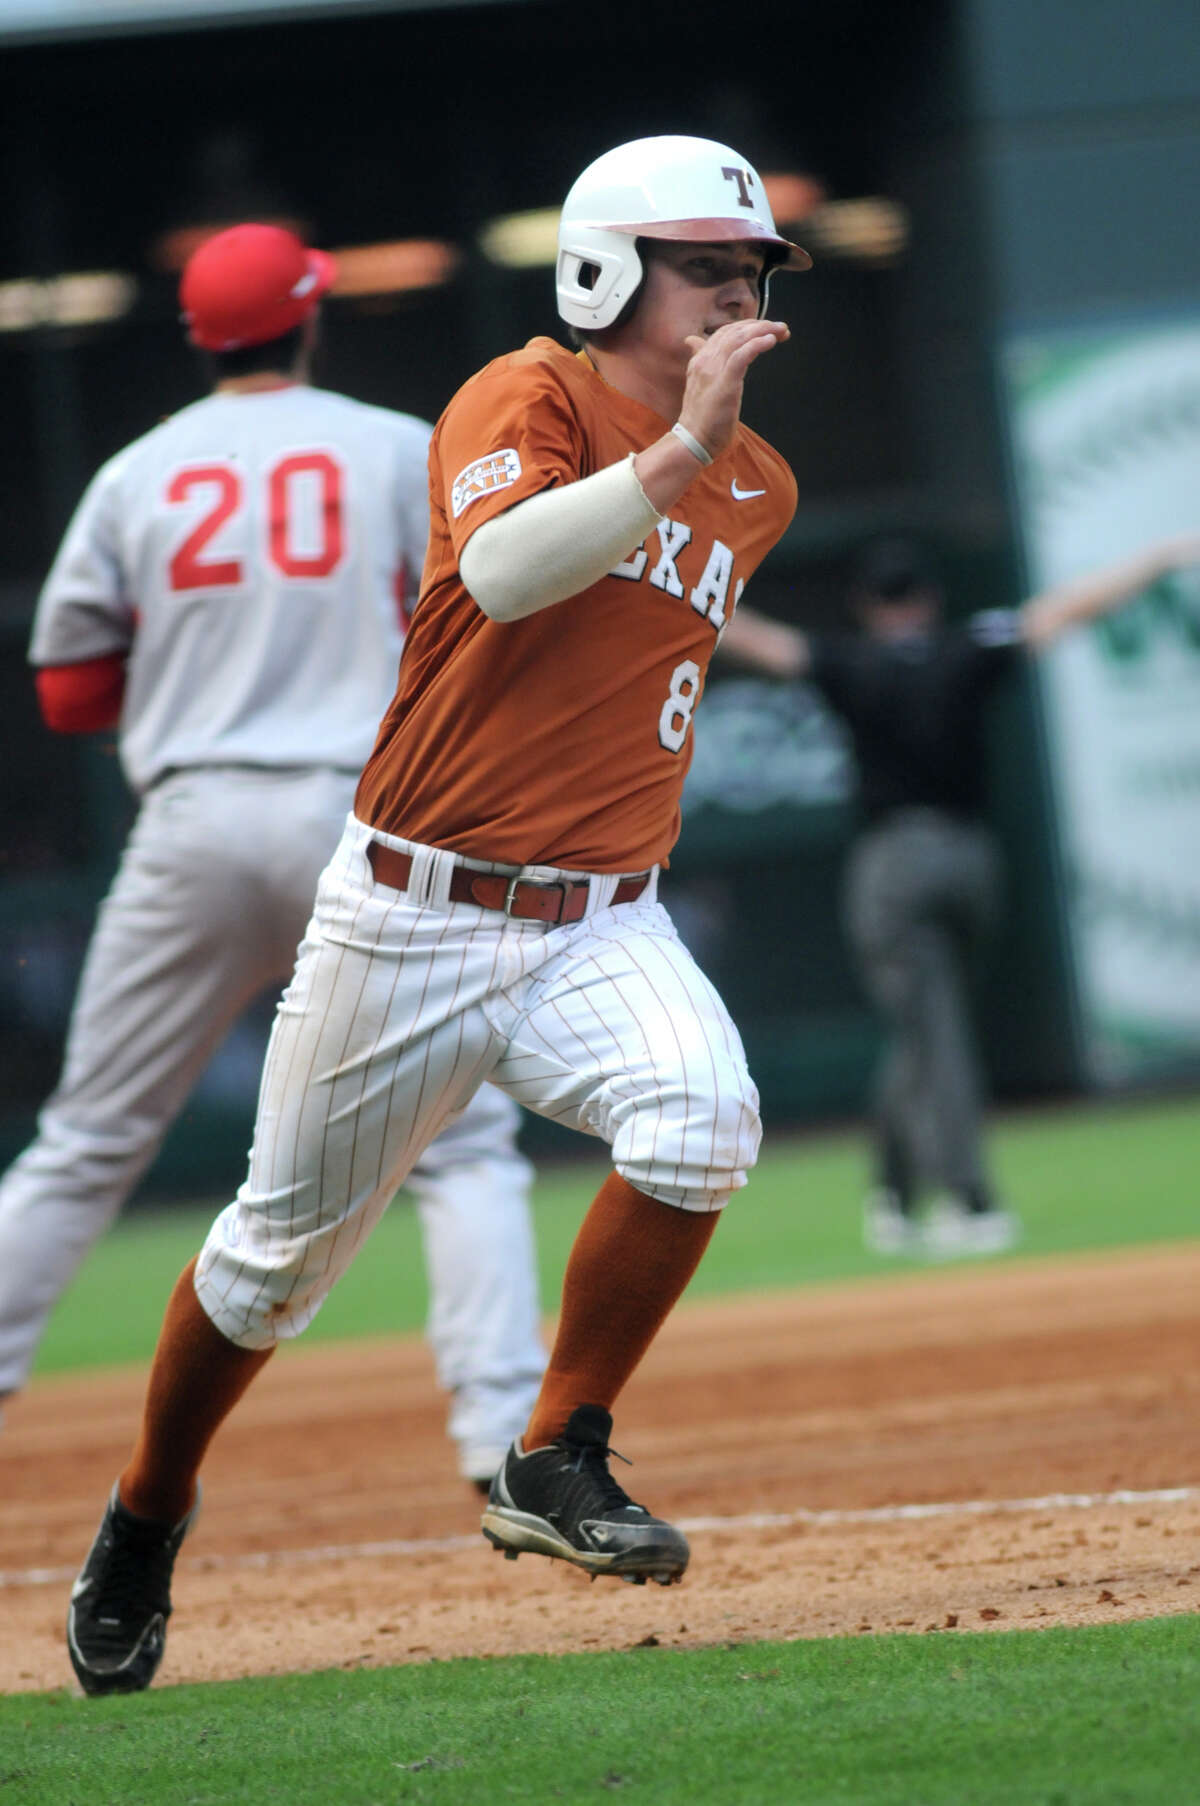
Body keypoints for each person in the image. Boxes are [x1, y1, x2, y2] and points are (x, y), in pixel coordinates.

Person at [64, 132, 810, 1696]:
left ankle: (554, 1448)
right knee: (270, 1262)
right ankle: (145, 1514)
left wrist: (698, 453)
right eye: (705, 270)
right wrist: (673, 450)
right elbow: (517, 570)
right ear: (605, 270)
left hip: (599, 917)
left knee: (702, 1115)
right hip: (410, 904)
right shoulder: (521, 391)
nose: (737, 297)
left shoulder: (761, 484)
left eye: (750, 274)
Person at [2, 223, 547, 1491]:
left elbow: (70, 692)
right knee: (458, 1149)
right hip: (361, 824)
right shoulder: (389, 444)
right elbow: (472, 632)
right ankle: (493, 1432)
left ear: (199, 338)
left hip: (190, 821)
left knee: (85, 1143)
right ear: (312, 314)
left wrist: (200, 667)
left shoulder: (138, 471)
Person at [719, 529, 1200, 1258]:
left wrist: (653, 580)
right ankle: (894, 1192)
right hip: (970, 861)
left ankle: (968, 1200)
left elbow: (751, 639)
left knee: (931, 1030)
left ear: (864, 605)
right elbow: (1068, 609)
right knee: (930, 1028)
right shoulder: (965, 648)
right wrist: (1159, 556)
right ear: (931, 598)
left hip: (894, 865)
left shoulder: (852, 660)